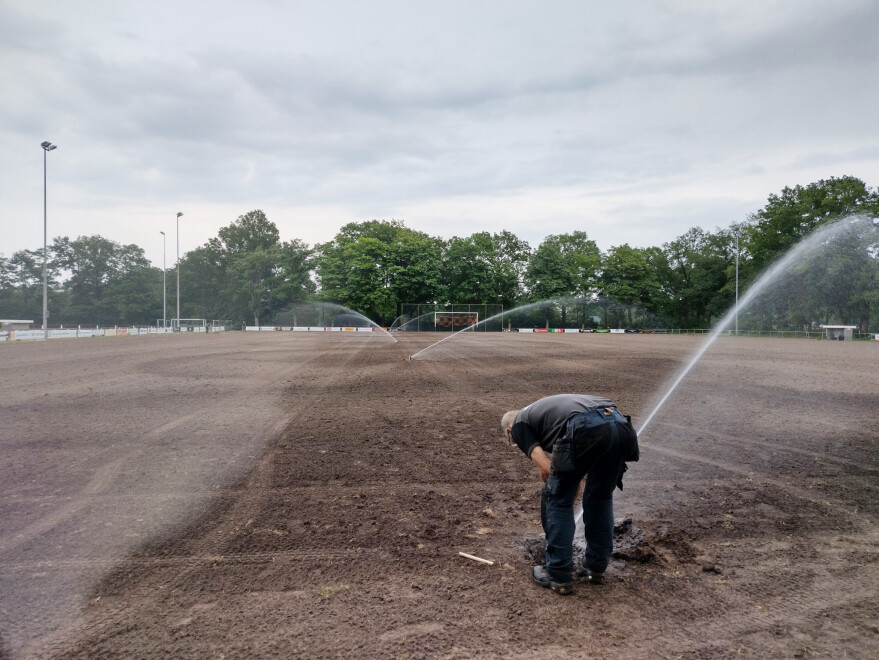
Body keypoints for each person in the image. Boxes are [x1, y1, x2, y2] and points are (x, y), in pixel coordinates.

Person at [501, 394, 639, 595]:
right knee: (600, 497)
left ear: (509, 432)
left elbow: (547, 469)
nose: (518, 444)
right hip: (618, 423)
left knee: (557, 500)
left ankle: (558, 573)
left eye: (514, 443)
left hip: (586, 427)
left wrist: (565, 491)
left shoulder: (519, 424)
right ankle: (595, 567)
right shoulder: (541, 413)